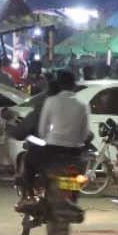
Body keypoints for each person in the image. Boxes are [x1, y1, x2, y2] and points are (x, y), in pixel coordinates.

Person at [32, 70, 90, 199]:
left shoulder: (51, 101)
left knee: (41, 170)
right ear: (74, 85)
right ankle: (72, 197)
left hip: (53, 147)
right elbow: (85, 133)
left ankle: (43, 195)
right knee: (77, 178)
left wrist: (46, 138)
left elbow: (42, 129)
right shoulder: (82, 104)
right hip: (75, 150)